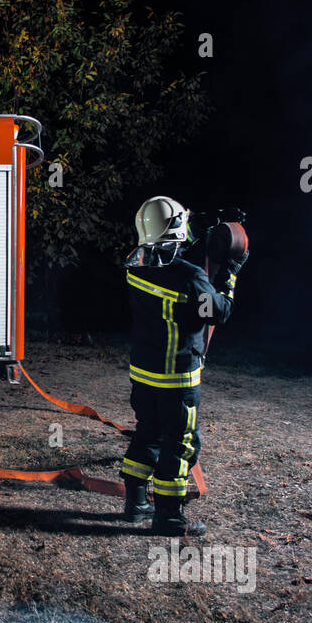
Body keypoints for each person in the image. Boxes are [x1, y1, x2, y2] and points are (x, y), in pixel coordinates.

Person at [119, 196, 247, 537]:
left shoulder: (134, 267)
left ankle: (135, 504)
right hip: (177, 378)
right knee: (179, 443)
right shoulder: (191, 278)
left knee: (148, 432)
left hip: (144, 374)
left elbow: (169, 267)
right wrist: (230, 276)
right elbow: (216, 312)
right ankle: (169, 517)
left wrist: (196, 235)